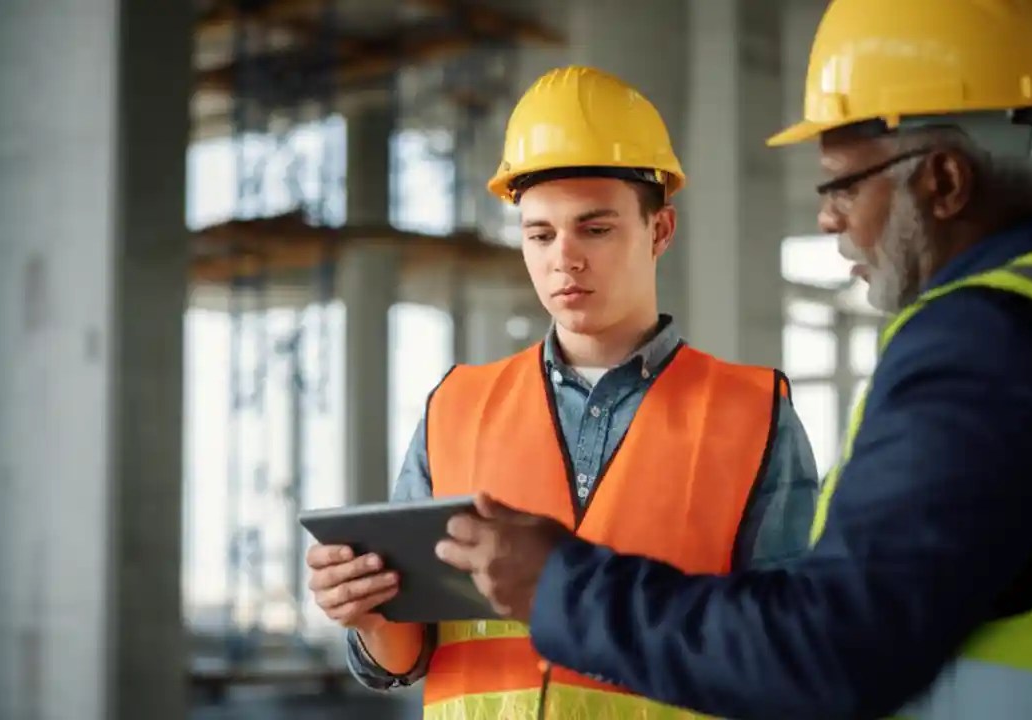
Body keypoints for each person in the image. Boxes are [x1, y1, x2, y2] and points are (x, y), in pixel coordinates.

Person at [435, 1, 1032, 718]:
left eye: (844, 185)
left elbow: (829, 645)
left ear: (946, 182)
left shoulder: (984, 339)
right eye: (539, 233)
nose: (827, 216)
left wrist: (562, 589)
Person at [303, 65, 820, 718]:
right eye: (540, 234)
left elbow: (792, 645)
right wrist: (369, 614)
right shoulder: (456, 409)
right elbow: (409, 652)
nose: (563, 259)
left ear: (660, 231)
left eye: (595, 229)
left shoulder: (753, 415)